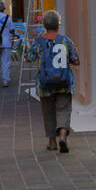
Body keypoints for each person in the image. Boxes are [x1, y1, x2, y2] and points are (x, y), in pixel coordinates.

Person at [32, 10, 80, 153]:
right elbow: (76, 60)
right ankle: (63, 137)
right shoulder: (66, 40)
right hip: (64, 82)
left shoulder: (39, 41)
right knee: (64, 109)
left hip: (45, 83)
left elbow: (29, 56)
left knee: (48, 111)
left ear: (44, 26)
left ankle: (52, 142)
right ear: (58, 25)